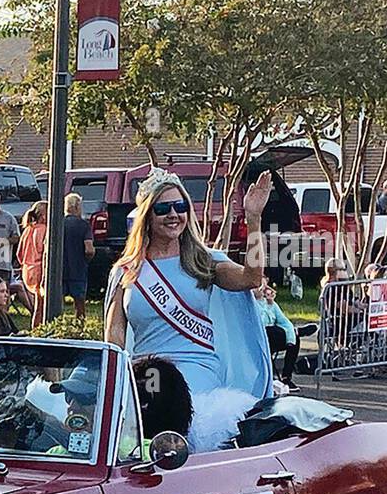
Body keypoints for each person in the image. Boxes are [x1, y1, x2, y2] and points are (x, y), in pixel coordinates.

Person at [105, 166, 274, 452]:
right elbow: (115, 332)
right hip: (146, 372)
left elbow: (251, 278)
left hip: (197, 371)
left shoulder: (204, 262)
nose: (173, 214)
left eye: (180, 206)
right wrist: (115, 373)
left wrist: (254, 220)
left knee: (182, 424)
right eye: (163, 208)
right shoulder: (126, 271)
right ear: (147, 215)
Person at [253, 283, 300, 391]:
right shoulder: (251, 303)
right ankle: (299, 331)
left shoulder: (271, 304)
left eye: (262, 285)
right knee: (272, 331)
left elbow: (284, 321)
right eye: (257, 286)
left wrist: (291, 338)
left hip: (274, 338)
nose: (260, 289)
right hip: (259, 336)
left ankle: (286, 378)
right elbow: (259, 322)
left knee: (294, 336)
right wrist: (261, 302)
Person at [62, 192, 94, 322]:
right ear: (77, 207)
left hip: (60, 269)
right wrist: (87, 260)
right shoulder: (84, 225)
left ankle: (56, 325)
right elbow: (89, 249)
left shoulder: (58, 223)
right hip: (78, 269)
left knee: (57, 303)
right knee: (79, 303)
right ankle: (80, 327)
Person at [16, 201, 48, 328]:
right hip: (39, 269)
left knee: (37, 305)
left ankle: (36, 328)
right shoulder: (44, 230)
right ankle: (39, 330)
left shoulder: (27, 229)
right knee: (42, 306)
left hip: (27, 270)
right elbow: (44, 252)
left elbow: (19, 254)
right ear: (44, 215)